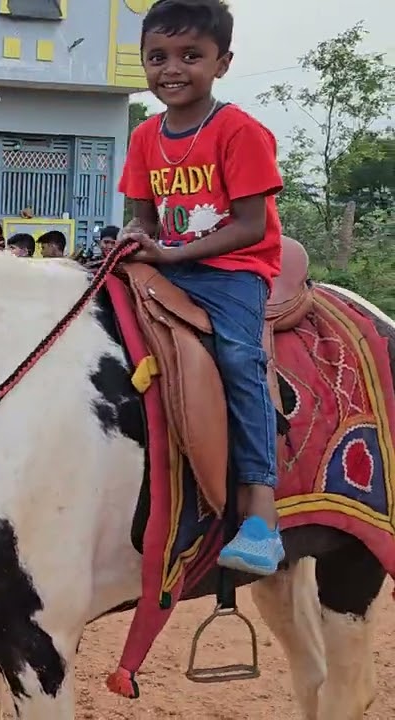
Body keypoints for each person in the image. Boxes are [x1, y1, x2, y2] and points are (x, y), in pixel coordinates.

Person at [119, 0, 285, 575]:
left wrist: (170, 252)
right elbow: (142, 215)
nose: (172, 68)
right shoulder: (144, 136)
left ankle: (261, 512)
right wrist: (133, 241)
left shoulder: (239, 131)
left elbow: (251, 224)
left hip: (235, 269)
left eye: (192, 55)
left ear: (223, 62)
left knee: (241, 362)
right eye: (157, 56)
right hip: (171, 265)